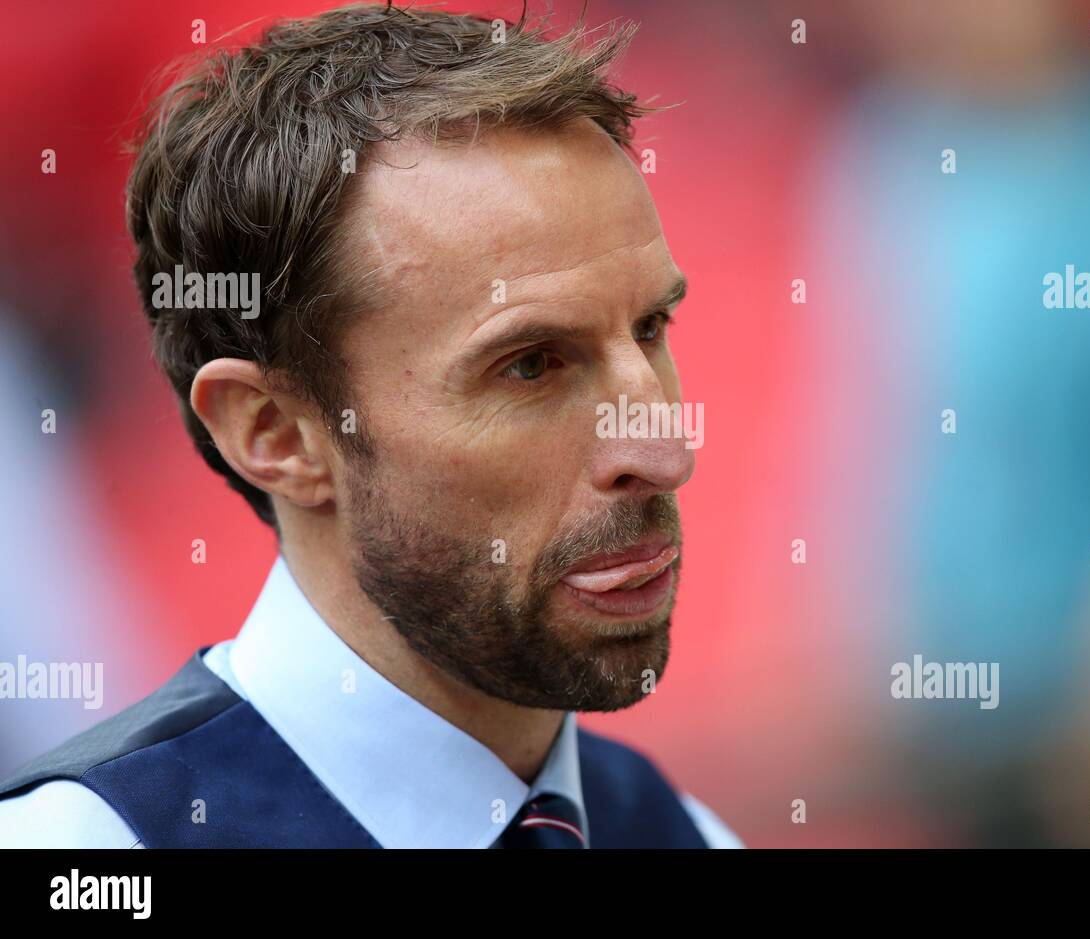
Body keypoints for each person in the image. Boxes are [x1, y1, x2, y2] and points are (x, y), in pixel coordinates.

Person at [0, 3, 741, 849]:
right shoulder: (85, 850)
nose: (664, 450)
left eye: (650, 328)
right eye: (531, 364)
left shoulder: (687, 833)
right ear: (276, 432)